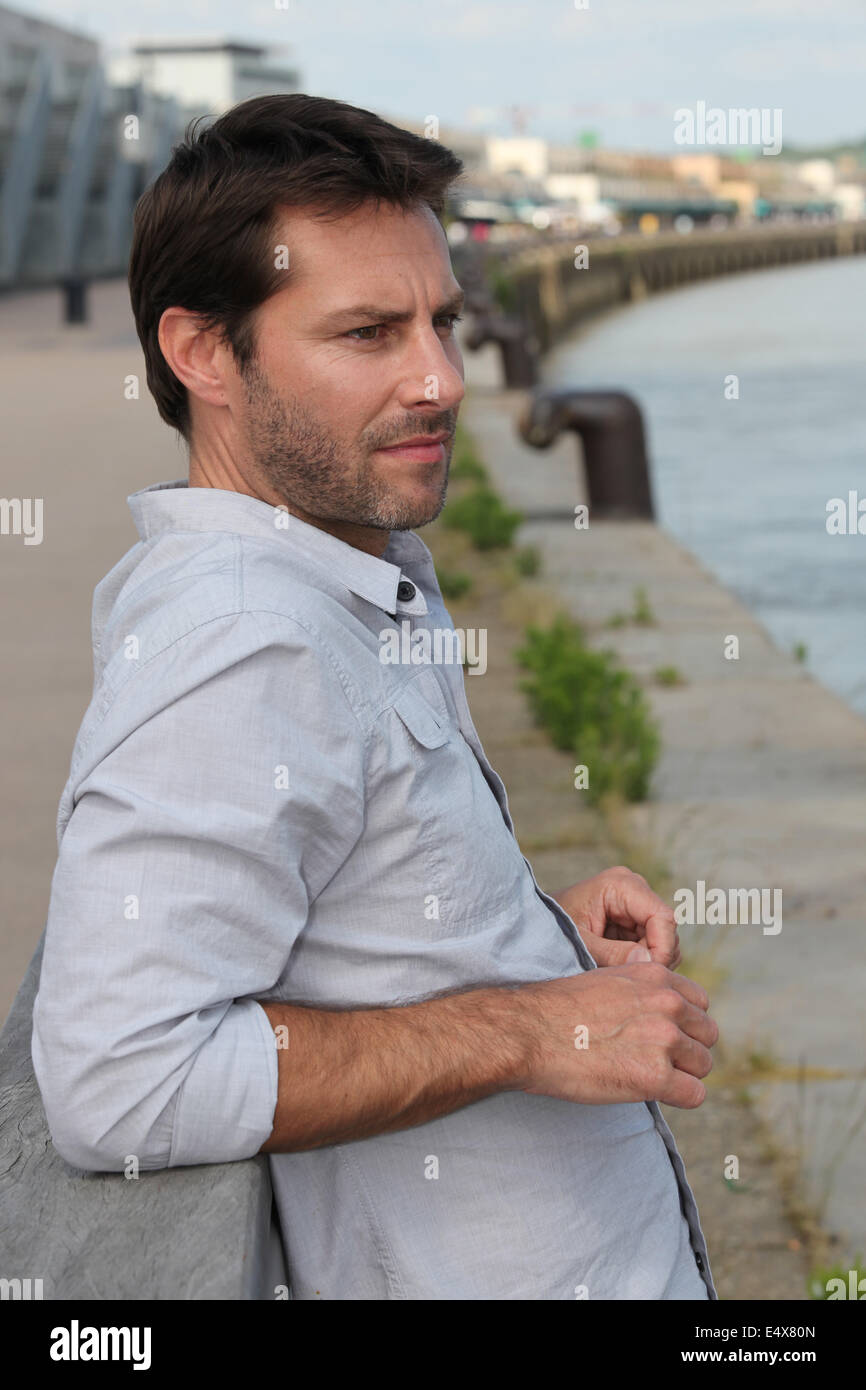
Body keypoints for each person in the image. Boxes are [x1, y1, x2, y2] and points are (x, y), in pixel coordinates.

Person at [31, 94, 718, 1300]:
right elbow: (120, 1079)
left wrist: (516, 926)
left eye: (441, 323)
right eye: (367, 334)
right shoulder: (244, 639)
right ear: (202, 354)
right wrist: (527, 1026)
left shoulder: (333, 563)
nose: (440, 380)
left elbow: (325, 892)